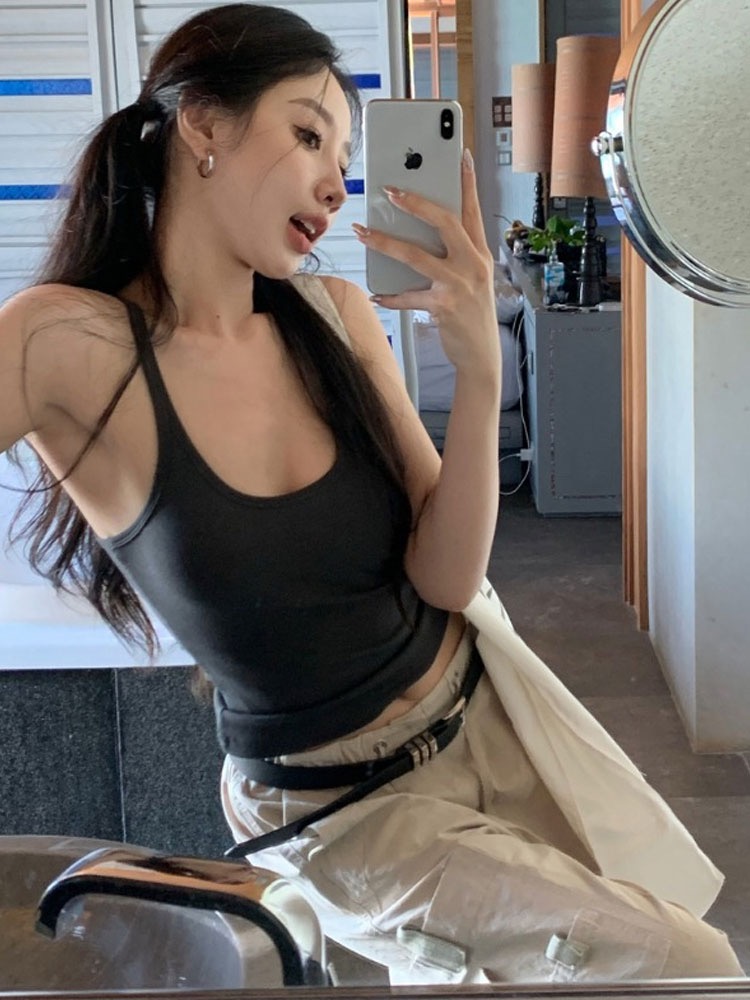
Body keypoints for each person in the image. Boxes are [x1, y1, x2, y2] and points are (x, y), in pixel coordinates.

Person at [0, 2, 742, 986]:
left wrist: (478, 372)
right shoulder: (66, 343)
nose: (334, 182)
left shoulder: (333, 315)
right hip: (347, 812)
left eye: (345, 155)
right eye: (308, 134)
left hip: (488, 720)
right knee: (685, 963)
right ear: (204, 123)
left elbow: (446, 575)